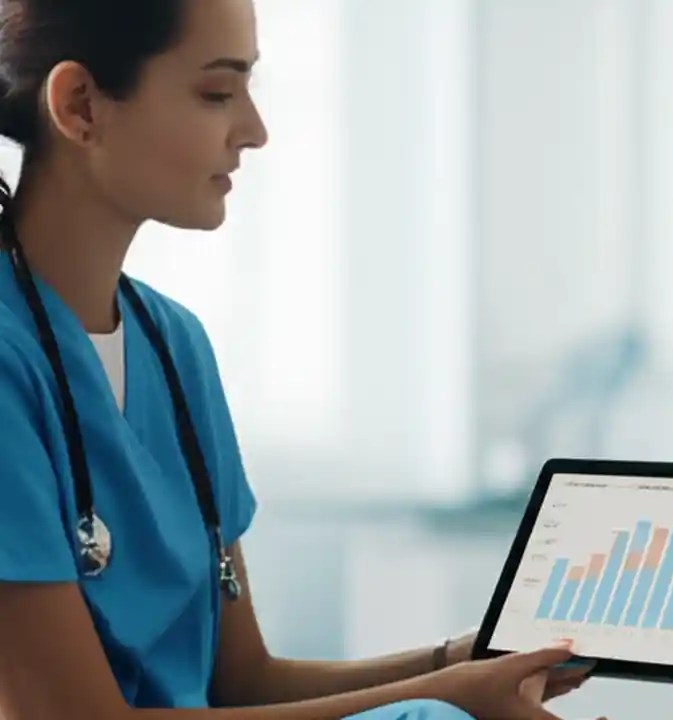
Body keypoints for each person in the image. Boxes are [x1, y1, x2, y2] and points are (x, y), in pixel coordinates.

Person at [0, 1, 593, 718]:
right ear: (81, 105)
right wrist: (442, 697)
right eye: (217, 93)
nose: (254, 131)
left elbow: (244, 684)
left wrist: (457, 662)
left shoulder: (174, 346)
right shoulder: (10, 364)